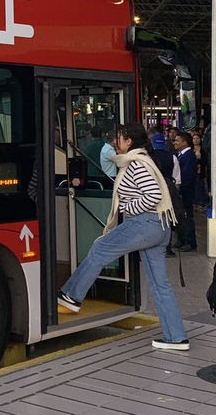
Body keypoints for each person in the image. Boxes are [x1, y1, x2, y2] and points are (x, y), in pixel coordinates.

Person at [57, 124, 189, 352]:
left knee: (99, 249)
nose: (113, 142)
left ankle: (71, 296)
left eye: (117, 138)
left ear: (129, 141)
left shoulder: (136, 163)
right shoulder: (142, 159)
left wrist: (129, 206)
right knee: (160, 285)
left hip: (144, 224)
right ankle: (176, 337)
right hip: (158, 228)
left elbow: (153, 195)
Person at [173, 131, 198, 251]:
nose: (175, 143)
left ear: (185, 142)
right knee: (180, 216)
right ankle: (181, 238)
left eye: (177, 140)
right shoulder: (180, 155)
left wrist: (181, 190)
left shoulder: (189, 156)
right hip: (182, 191)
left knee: (187, 216)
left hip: (186, 191)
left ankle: (190, 241)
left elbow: (187, 175)